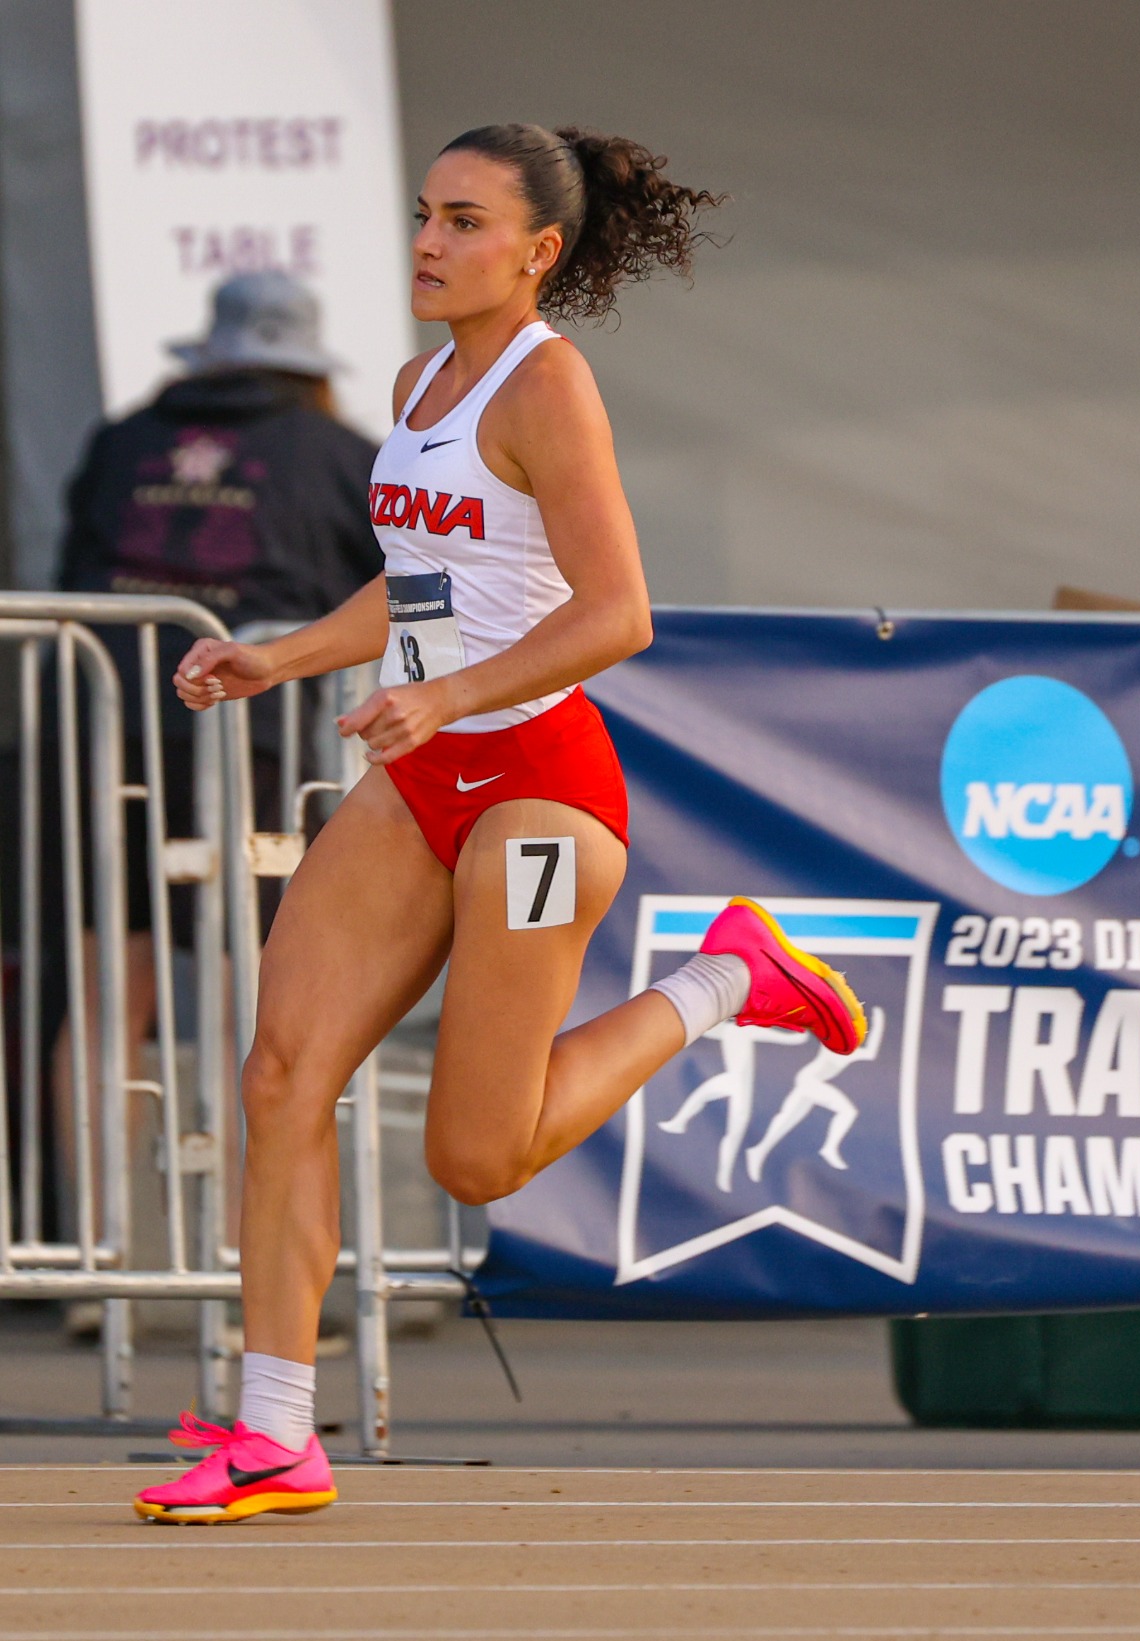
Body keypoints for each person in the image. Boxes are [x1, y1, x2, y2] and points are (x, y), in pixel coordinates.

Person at [132, 124, 864, 1524]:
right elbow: (418, 589)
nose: (426, 241)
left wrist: (451, 693)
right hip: (423, 770)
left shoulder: (550, 389)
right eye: (423, 214)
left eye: (463, 221)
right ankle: (276, 1431)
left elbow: (618, 614)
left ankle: (730, 978)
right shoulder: (417, 383)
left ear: (538, 253)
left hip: (539, 786)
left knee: (475, 1155)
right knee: (281, 1074)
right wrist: (277, 653)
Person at [47, 272, 381, 1328]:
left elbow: (66, 578)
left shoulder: (123, 439)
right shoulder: (339, 454)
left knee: (110, 983)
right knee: (262, 994)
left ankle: (100, 1260)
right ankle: (253, 1261)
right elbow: (389, 598)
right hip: (259, 736)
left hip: (106, 722)